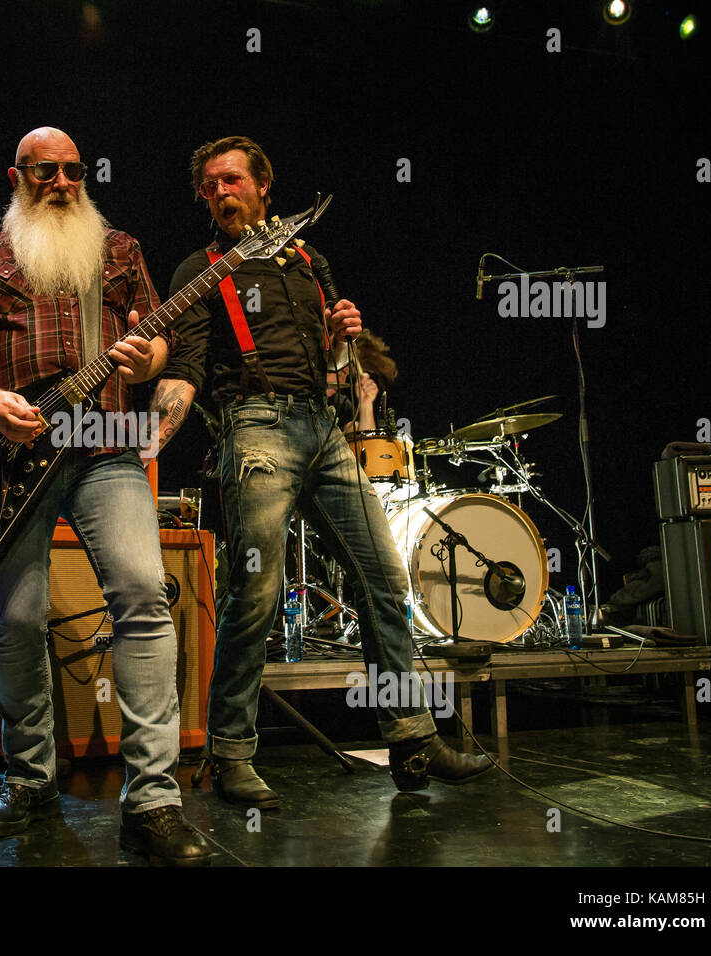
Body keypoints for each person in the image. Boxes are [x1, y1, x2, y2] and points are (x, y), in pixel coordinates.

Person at [147, 136, 492, 808]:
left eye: (231, 180)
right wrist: (152, 438)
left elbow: (336, 368)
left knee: (385, 578)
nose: (219, 193)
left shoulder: (307, 259)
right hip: (255, 427)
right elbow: (186, 366)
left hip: (323, 429)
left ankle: (412, 741)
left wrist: (340, 341)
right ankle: (231, 754)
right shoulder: (201, 267)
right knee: (256, 592)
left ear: (263, 186)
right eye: (209, 186)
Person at [0, 127, 210, 865]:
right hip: (14, 455)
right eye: (45, 170)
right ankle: (29, 782)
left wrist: (147, 359)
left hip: (106, 445)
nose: (62, 182)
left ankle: (153, 800)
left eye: (74, 170)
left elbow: (158, 343)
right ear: (16, 175)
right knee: (17, 618)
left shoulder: (119, 250)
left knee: (143, 594)